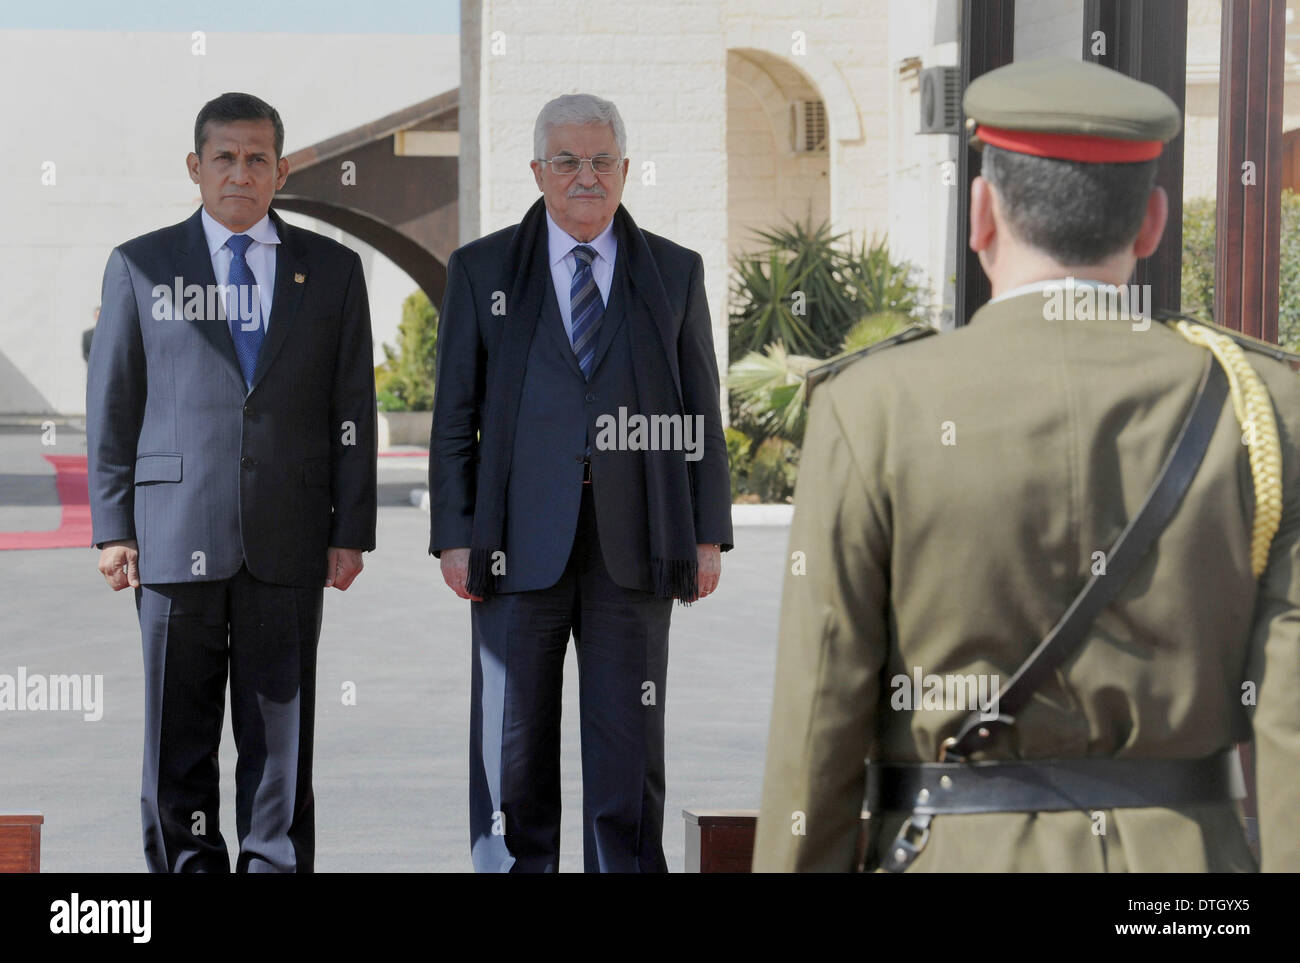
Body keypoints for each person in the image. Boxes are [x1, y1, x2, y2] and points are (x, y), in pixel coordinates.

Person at [754, 59, 1300, 872]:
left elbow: (817, 722)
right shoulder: (1264, 404)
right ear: (1151, 225)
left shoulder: (873, 406)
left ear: (981, 214)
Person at [429, 93, 733, 872]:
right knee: (512, 747)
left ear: (625, 169)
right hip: (515, 548)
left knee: (626, 752)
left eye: (601, 160)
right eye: (567, 161)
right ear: (538, 171)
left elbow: (701, 411)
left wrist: (705, 532)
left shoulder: (673, 271)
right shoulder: (481, 270)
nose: (586, 176)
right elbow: (455, 414)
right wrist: (456, 536)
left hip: (637, 546)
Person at [86, 92, 377, 873]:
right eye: (225, 157)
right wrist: (114, 527)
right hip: (173, 534)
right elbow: (113, 405)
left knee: (279, 742)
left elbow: (354, 409)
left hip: (289, 537)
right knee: (176, 737)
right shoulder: (141, 265)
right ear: (196, 167)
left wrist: (351, 528)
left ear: (281, 170)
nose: (240, 173)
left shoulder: (336, 271)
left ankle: (273, 863)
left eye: (257, 159)